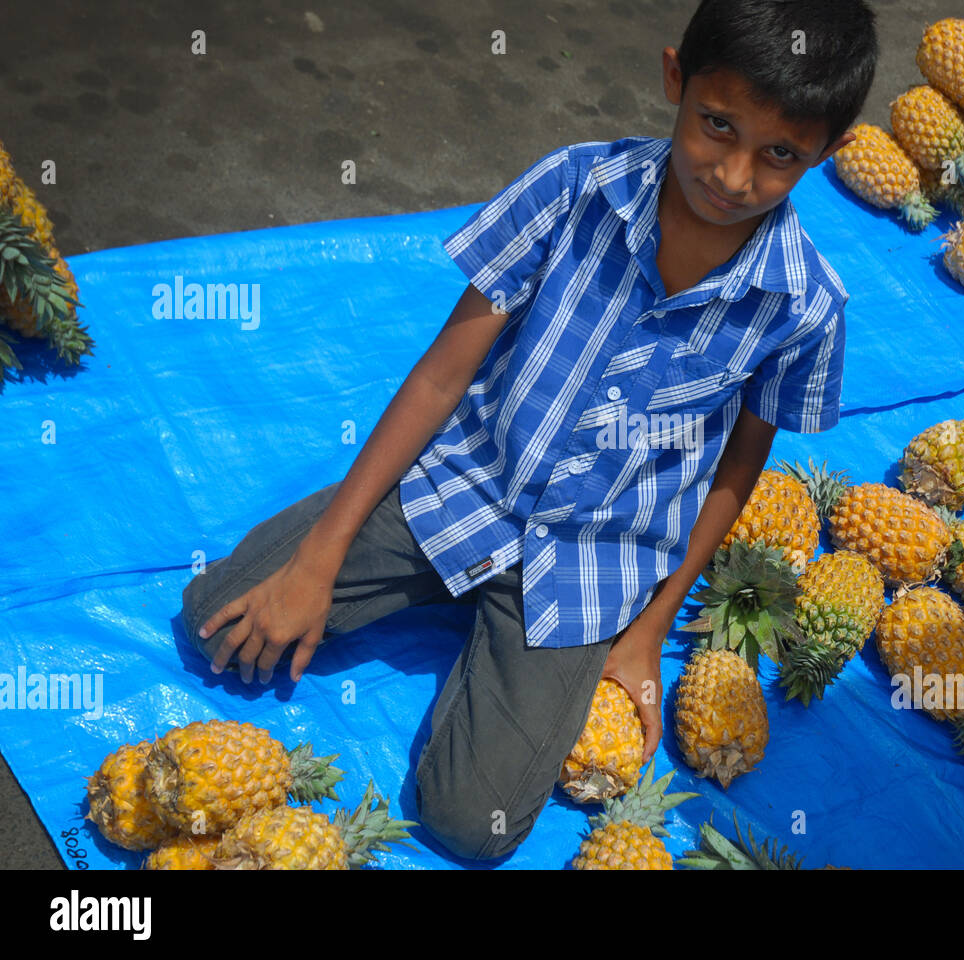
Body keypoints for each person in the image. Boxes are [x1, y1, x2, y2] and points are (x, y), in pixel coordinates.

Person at [180, 0, 878, 861]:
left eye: (780, 155)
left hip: (594, 561)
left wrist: (650, 628)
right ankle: (431, 593)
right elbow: (444, 374)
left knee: (473, 824)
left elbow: (737, 469)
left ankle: (489, 637)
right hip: (466, 485)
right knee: (216, 618)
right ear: (675, 79)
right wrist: (322, 555)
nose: (734, 176)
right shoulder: (576, 187)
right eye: (716, 126)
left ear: (830, 151)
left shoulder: (805, 306)